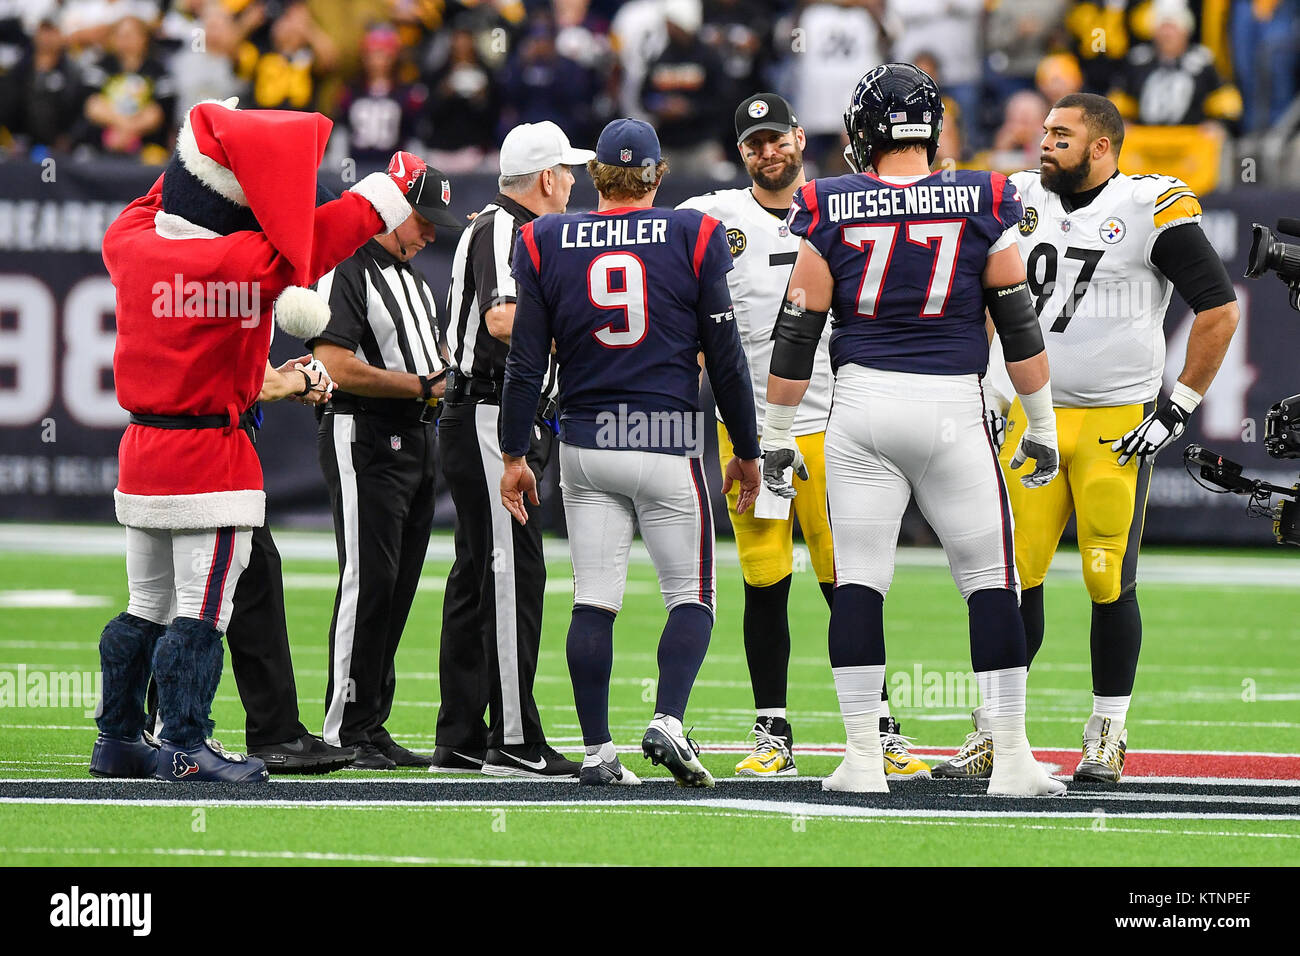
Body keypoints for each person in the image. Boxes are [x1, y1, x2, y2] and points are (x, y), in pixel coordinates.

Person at [89, 97, 417, 783]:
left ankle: (118, 737)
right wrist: (391, 189)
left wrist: (205, 138)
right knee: (201, 614)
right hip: (211, 455)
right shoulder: (242, 263)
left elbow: (157, 198)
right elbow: (324, 236)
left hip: (141, 454)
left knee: (142, 608)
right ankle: (183, 743)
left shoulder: (128, 243)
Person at [760, 63, 1065, 796]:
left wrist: (775, 431)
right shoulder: (986, 195)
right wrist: (1044, 422)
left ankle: (864, 758)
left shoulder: (826, 202)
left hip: (861, 409)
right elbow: (1019, 327)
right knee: (992, 582)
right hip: (953, 409)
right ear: (932, 129)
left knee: (860, 581)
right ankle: (1013, 757)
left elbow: (796, 330)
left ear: (863, 133)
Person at [947, 92, 1240, 783]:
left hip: (1114, 421)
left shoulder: (1147, 206)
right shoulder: (1014, 196)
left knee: (1107, 577)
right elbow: (980, 298)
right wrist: (984, 387)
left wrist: (1179, 406)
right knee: (1013, 577)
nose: (1044, 142)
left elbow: (1219, 310)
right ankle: (995, 729)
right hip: (1030, 417)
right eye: (1045, 130)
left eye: (1061, 134)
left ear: (1102, 146)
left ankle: (1107, 727)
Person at [499, 118, 762, 788]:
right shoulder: (692, 233)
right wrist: (747, 448)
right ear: (657, 176)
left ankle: (597, 752)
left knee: (594, 600)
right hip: (664, 437)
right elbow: (726, 359)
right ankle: (669, 719)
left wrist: (512, 452)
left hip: (586, 442)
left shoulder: (544, 238)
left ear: (595, 177)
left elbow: (524, 364)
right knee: (691, 596)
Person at [677, 93, 930, 780]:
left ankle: (880, 728)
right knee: (765, 584)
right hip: (751, 437)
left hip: (834, 427)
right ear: (742, 153)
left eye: (777, 138)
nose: (769, 152)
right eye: (754, 143)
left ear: (798, 137)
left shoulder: (840, 206)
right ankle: (772, 730)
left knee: (848, 585)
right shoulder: (710, 218)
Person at [434, 121, 594, 778]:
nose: (576, 183)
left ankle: (463, 733)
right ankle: (513, 737)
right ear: (547, 178)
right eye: (569, 171)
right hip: (489, 411)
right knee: (510, 573)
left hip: (494, 410)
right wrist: (580, 334)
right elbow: (504, 319)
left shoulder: (508, 227)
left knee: (480, 573)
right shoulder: (506, 228)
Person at [309, 155, 462, 770]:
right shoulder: (344, 266)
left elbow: (436, 359)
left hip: (416, 439)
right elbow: (335, 364)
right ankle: (342, 726)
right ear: (393, 210)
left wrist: (439, 385)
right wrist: (422, 387)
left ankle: (370, 722)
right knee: (366, 581)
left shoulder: (416, 281)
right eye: (422, 220)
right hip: (363, 432)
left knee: (396, 587)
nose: (429, 234)